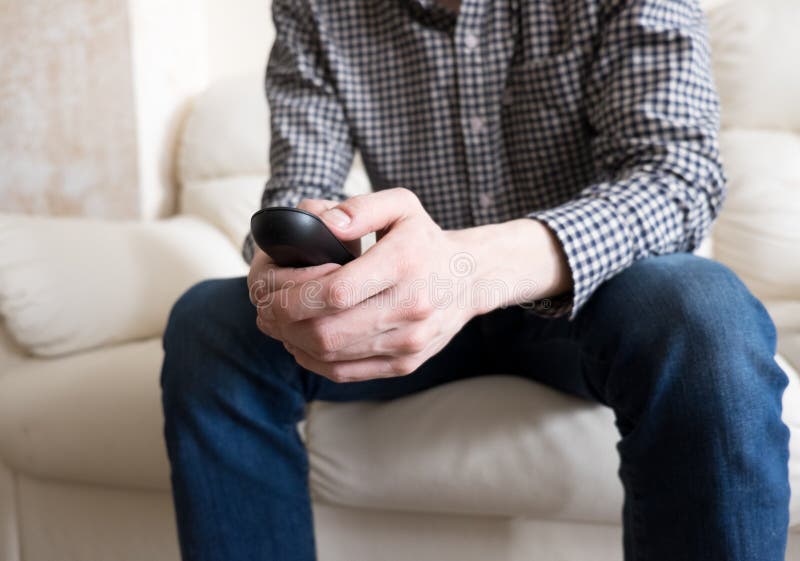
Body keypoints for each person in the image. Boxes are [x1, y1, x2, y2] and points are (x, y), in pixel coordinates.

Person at [160, 0, 791, 559]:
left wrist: (471, 270)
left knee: (705, 313)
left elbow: (677, 176)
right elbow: (301, 187)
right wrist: (293, 268)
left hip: (594, 297)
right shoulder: (316, 7)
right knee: (210, 323)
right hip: (410, 308)